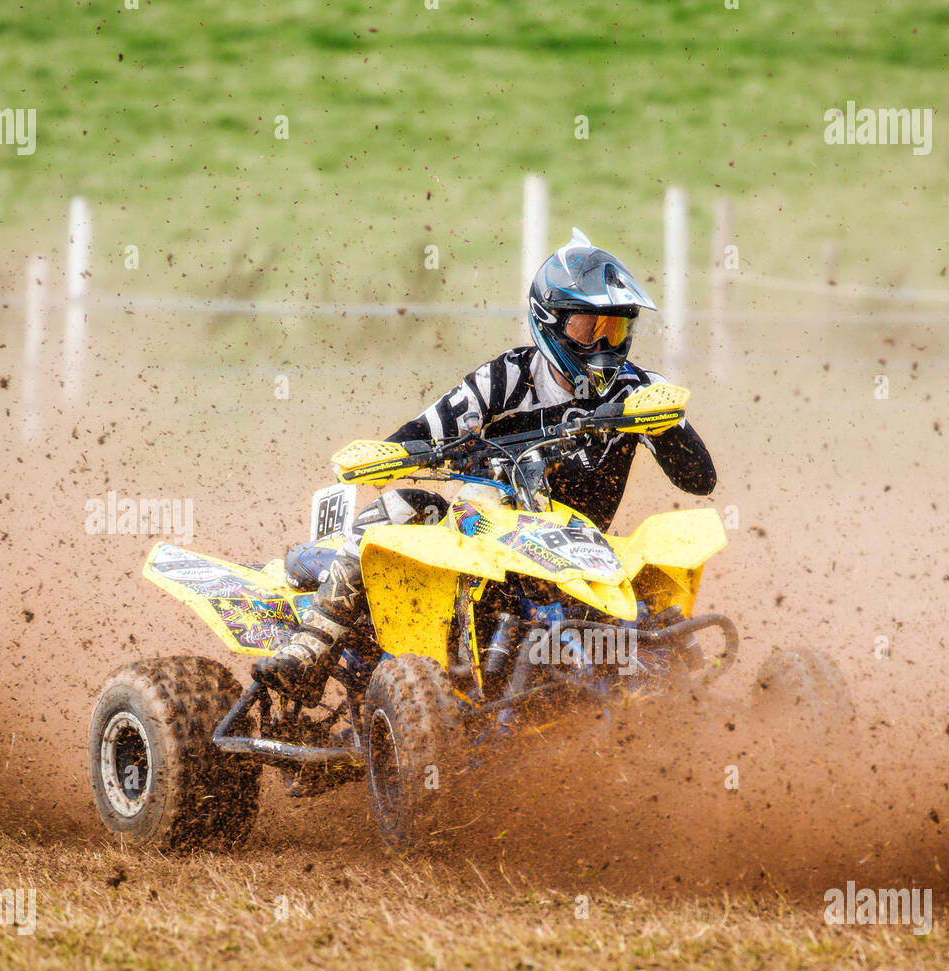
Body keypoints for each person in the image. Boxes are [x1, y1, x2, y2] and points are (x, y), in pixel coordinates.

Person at [254, 229, 717, 701]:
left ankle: (697, 699)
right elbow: (426, 430)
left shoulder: (637, 389)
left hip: (577, 554)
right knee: (403, 505)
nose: (602, 345)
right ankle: (311, 645)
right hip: (482, 539)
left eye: (615, 330)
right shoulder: (506, 378)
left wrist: (665, 424)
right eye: (587, 328)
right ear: (550, 321)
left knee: (654, 584)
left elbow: (700, 481)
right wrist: (388, 454)